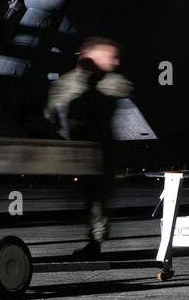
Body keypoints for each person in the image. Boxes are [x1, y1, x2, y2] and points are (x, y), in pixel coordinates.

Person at [46, 36, 131, 258]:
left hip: (96, 155)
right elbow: (53, 118)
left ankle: (95, 242)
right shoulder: (73, 86)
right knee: (93, 200)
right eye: (110, 57)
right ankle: (94, 241)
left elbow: (51, 117)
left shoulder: (107, 82)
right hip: (84, 154)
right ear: (90, 57)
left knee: (96, 201)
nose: (116, 62)